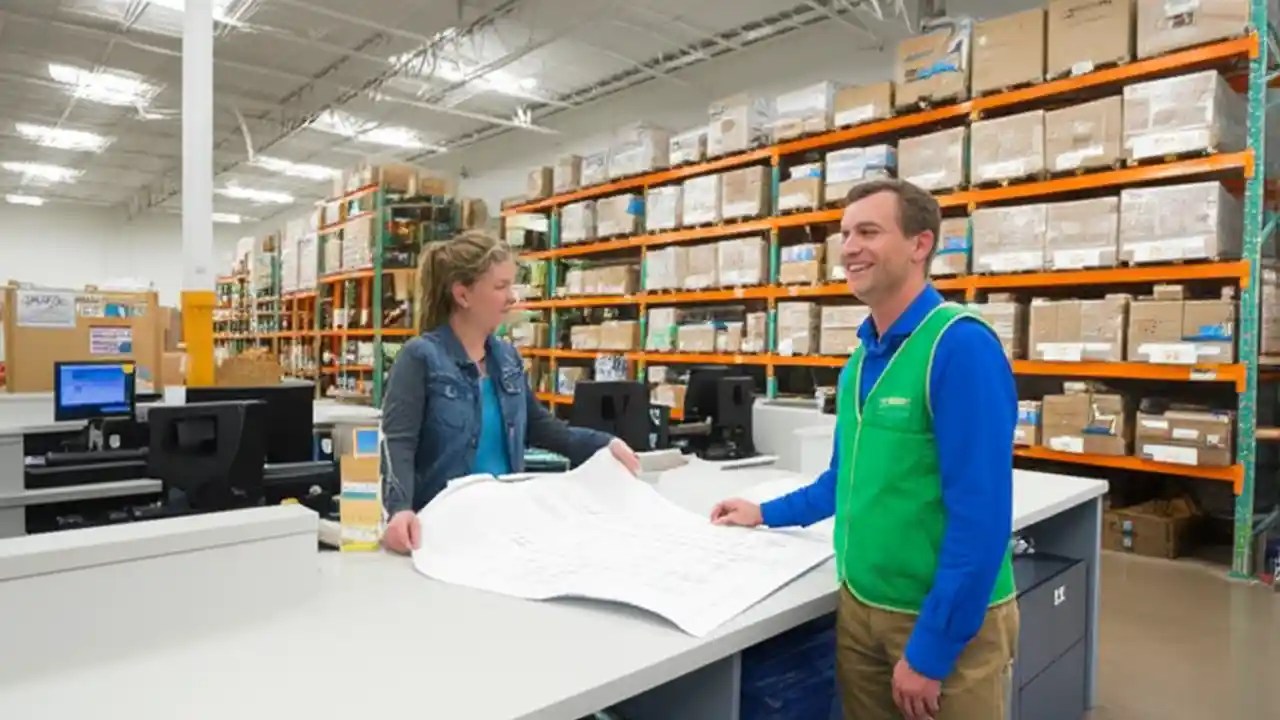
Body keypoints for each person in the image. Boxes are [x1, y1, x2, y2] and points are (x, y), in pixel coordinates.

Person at [710, 179, 1019, 720]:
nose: (849, 246)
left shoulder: (959, 346)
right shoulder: (860, 360)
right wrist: (763, 513)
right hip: (859, 611)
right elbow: (842, 479)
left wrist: (931, 650)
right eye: (845, 233)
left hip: (937, 623)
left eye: (869, 232)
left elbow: (983, 517)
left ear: (920, 245)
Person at [380, 231, 640, 554]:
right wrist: (399, 509)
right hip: (441, 531)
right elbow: (398, 444)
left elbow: (542, 428)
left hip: (503, 527)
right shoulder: (420, 358)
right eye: (500, 287)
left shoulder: (506, 359)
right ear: (463, 295)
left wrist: (604, 445)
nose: (512, 297)